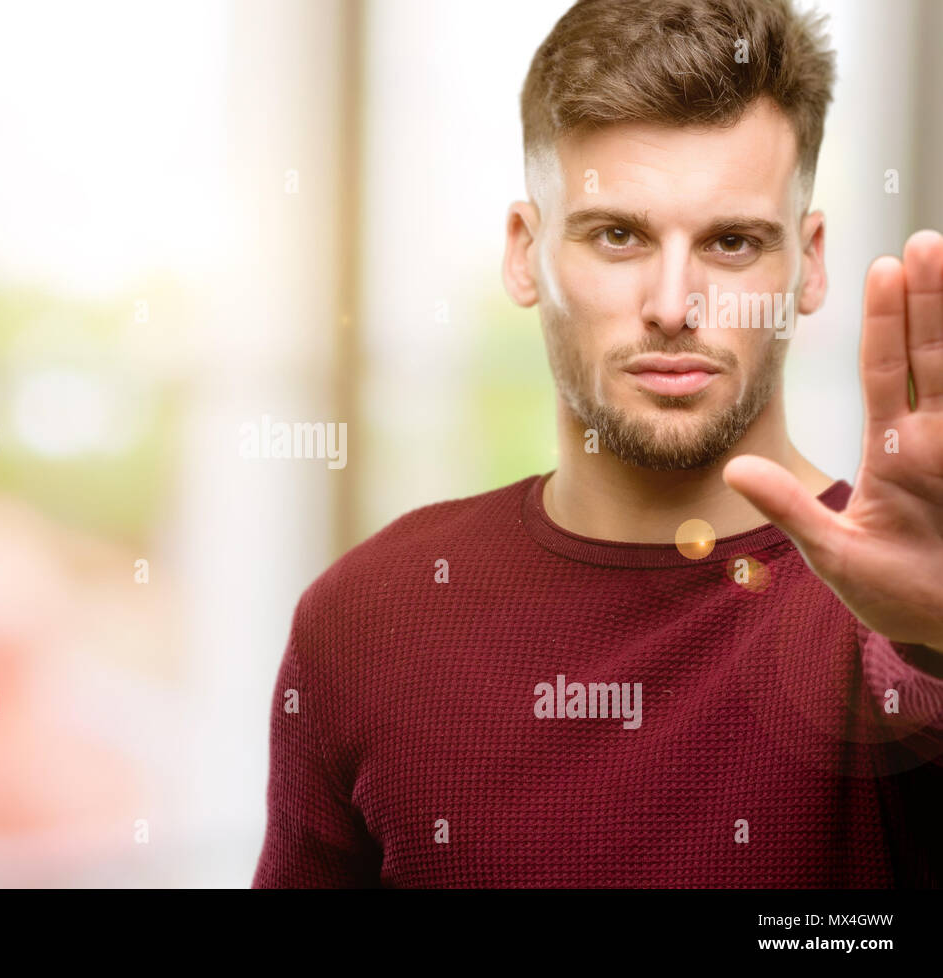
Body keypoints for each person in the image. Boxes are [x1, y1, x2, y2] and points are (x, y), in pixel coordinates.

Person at [252, 0, 943, 887]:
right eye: (618, 235)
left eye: (733, 243)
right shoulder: (366, 616)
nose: (671, 303)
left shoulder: (899, 607)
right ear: (523, 253)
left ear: (808, 266)